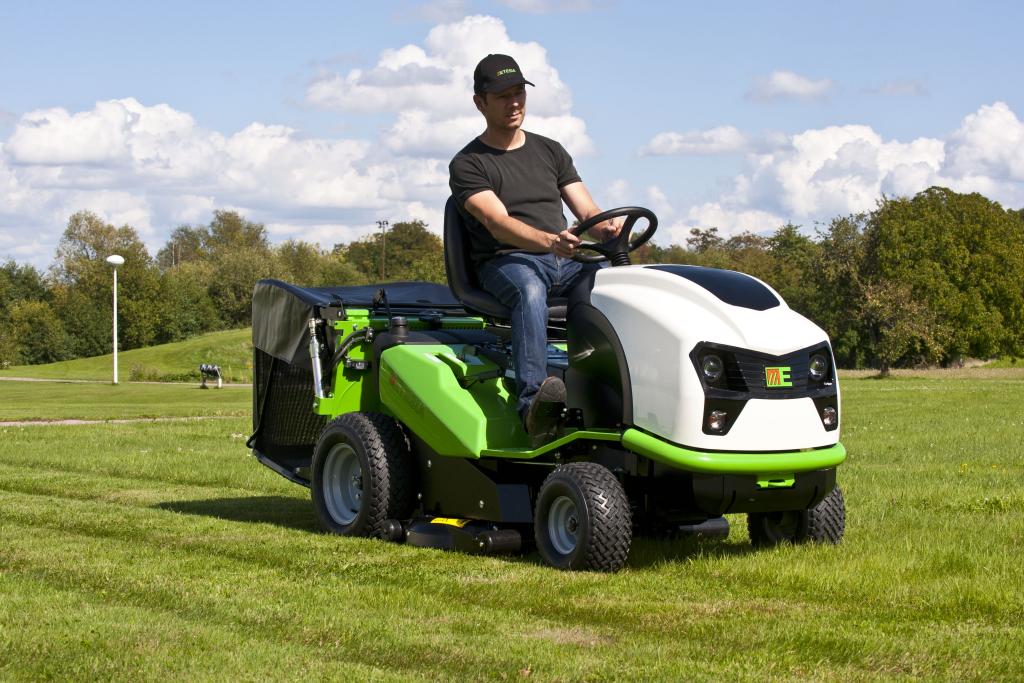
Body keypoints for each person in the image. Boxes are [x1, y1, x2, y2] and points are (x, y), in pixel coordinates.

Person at [448, 54, 620, 446]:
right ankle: (532, 405)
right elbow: (497, 223)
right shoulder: (468, 164)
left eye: (519, 93)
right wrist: (550, 241)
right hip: (506, 262)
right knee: (530, 291)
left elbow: (587, 209)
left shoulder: (550, 150)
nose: (514, 103)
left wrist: (607, 225)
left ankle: (615, 388)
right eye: (503, 96)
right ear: (480, 103)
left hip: (564, 260)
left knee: (619, 284)